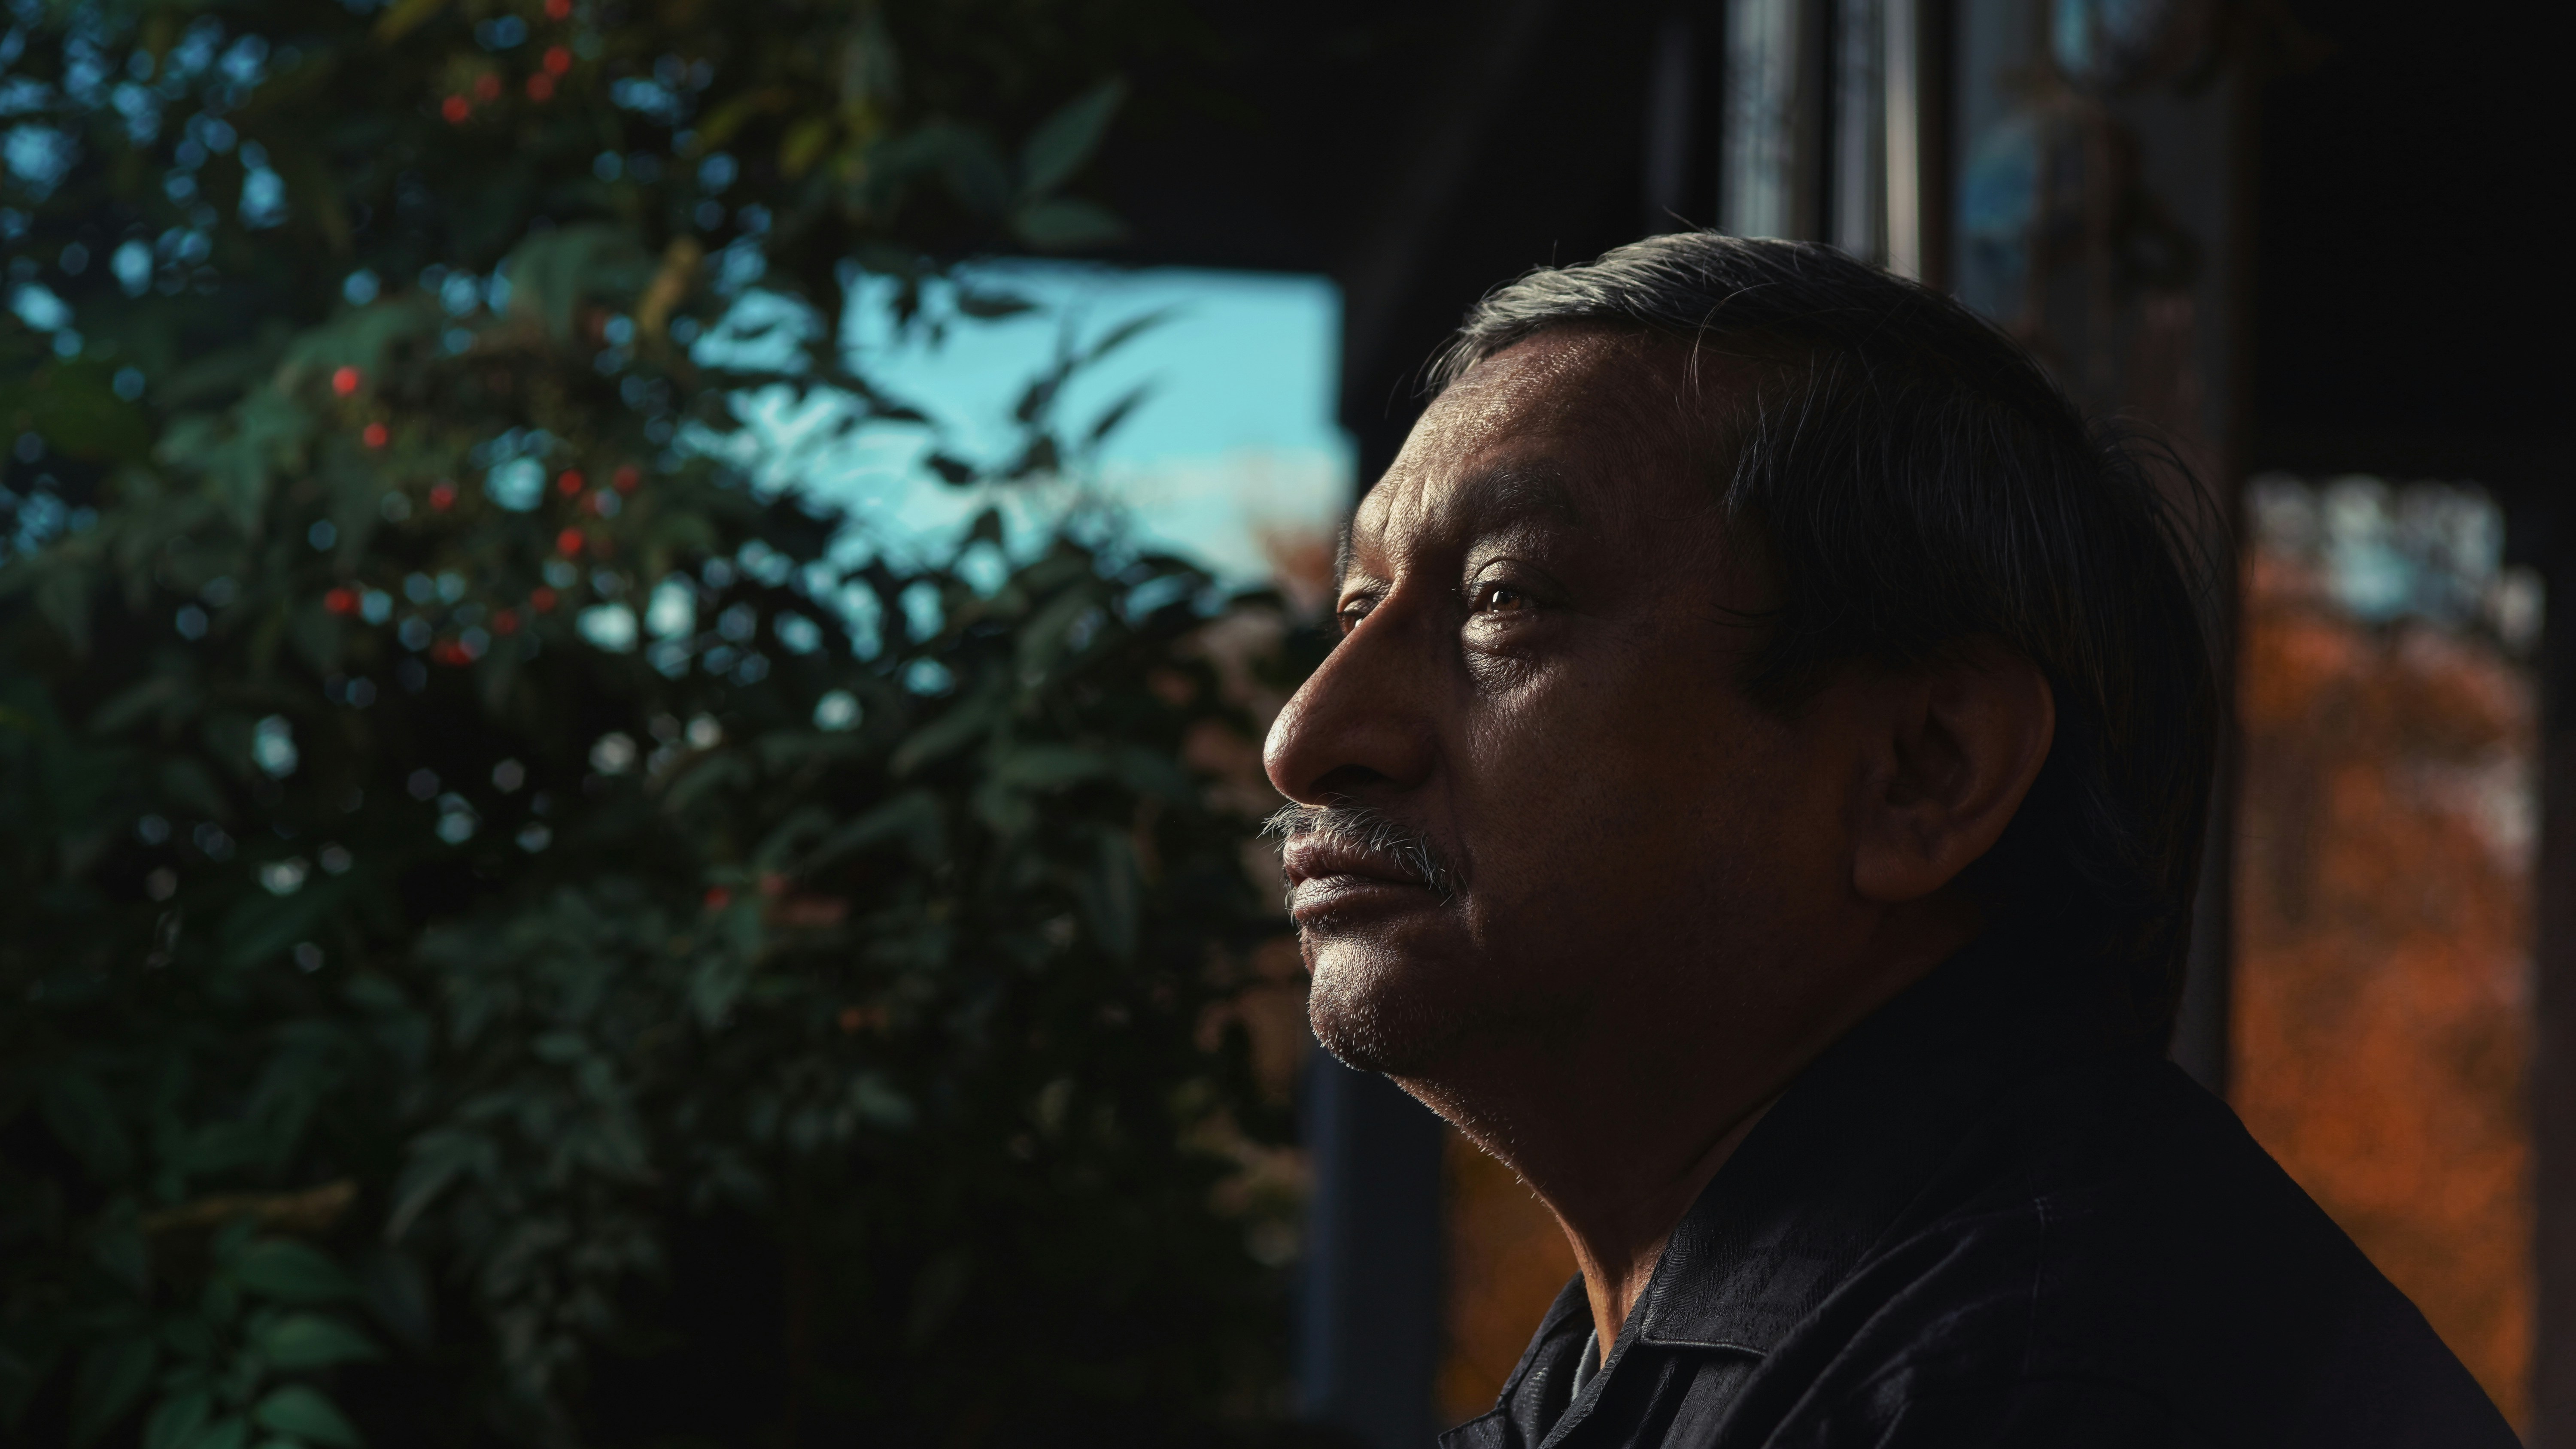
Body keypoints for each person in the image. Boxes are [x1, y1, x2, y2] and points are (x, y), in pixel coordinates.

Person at [1261, 233, 2516, 1447]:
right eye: (1360, 607)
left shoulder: (2026, 1388)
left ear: (1927, 772)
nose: (1307, 737)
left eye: (1502, 601)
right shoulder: (1717, 1349)